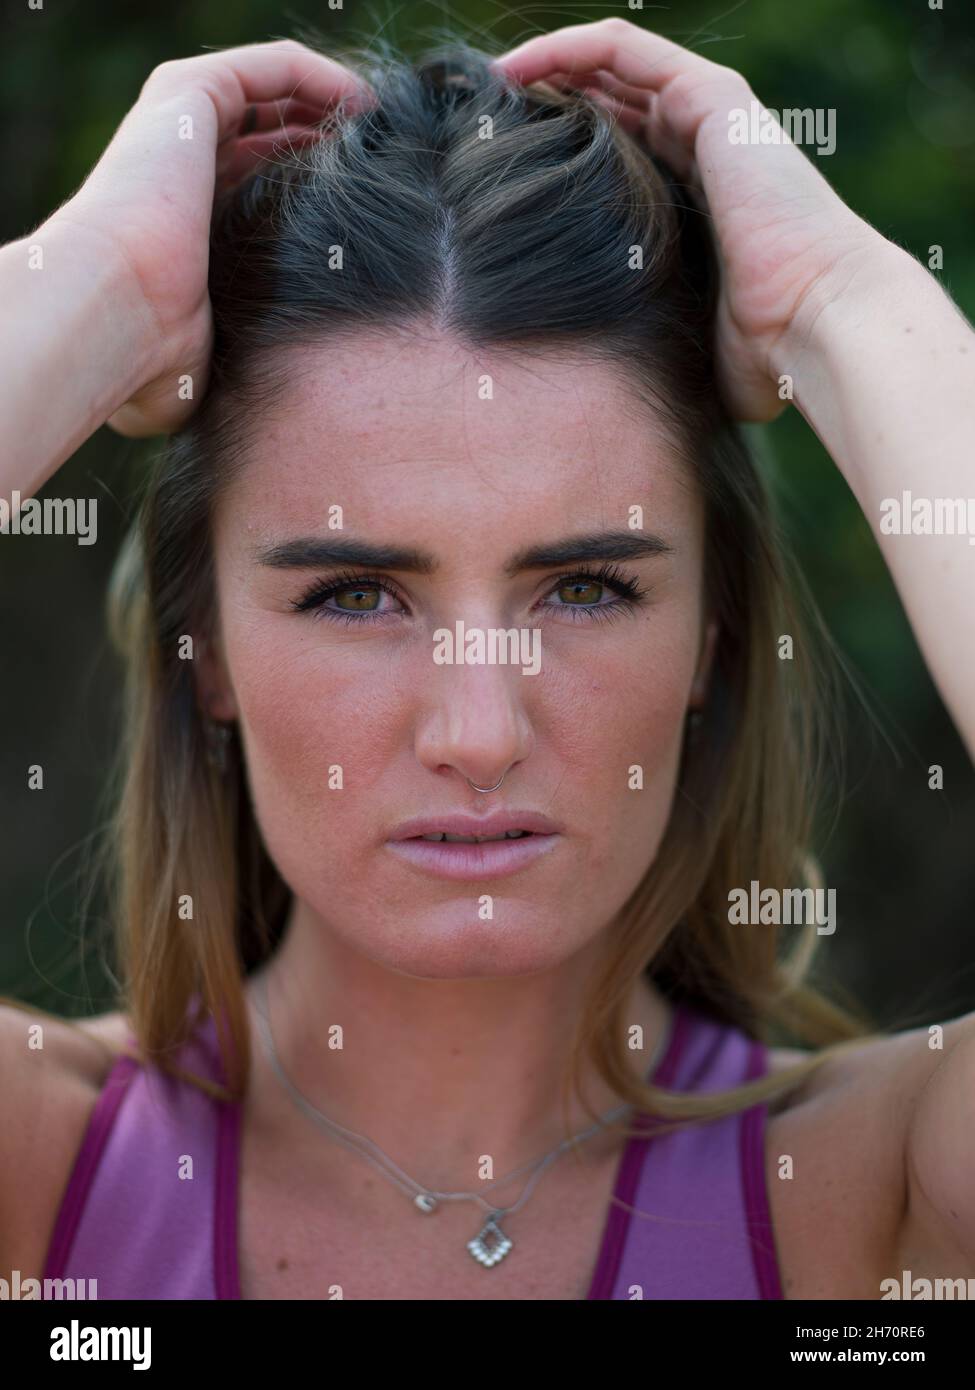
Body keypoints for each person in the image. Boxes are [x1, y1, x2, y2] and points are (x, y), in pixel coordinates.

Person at [1, 21, 973, 1301]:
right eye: (355, 594)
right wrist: (102, 280)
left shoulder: (879, 1196)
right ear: (210, 649)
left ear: (711, 637)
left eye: (585, 587)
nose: (478, 728)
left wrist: (840, 301)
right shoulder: (40, 1173)